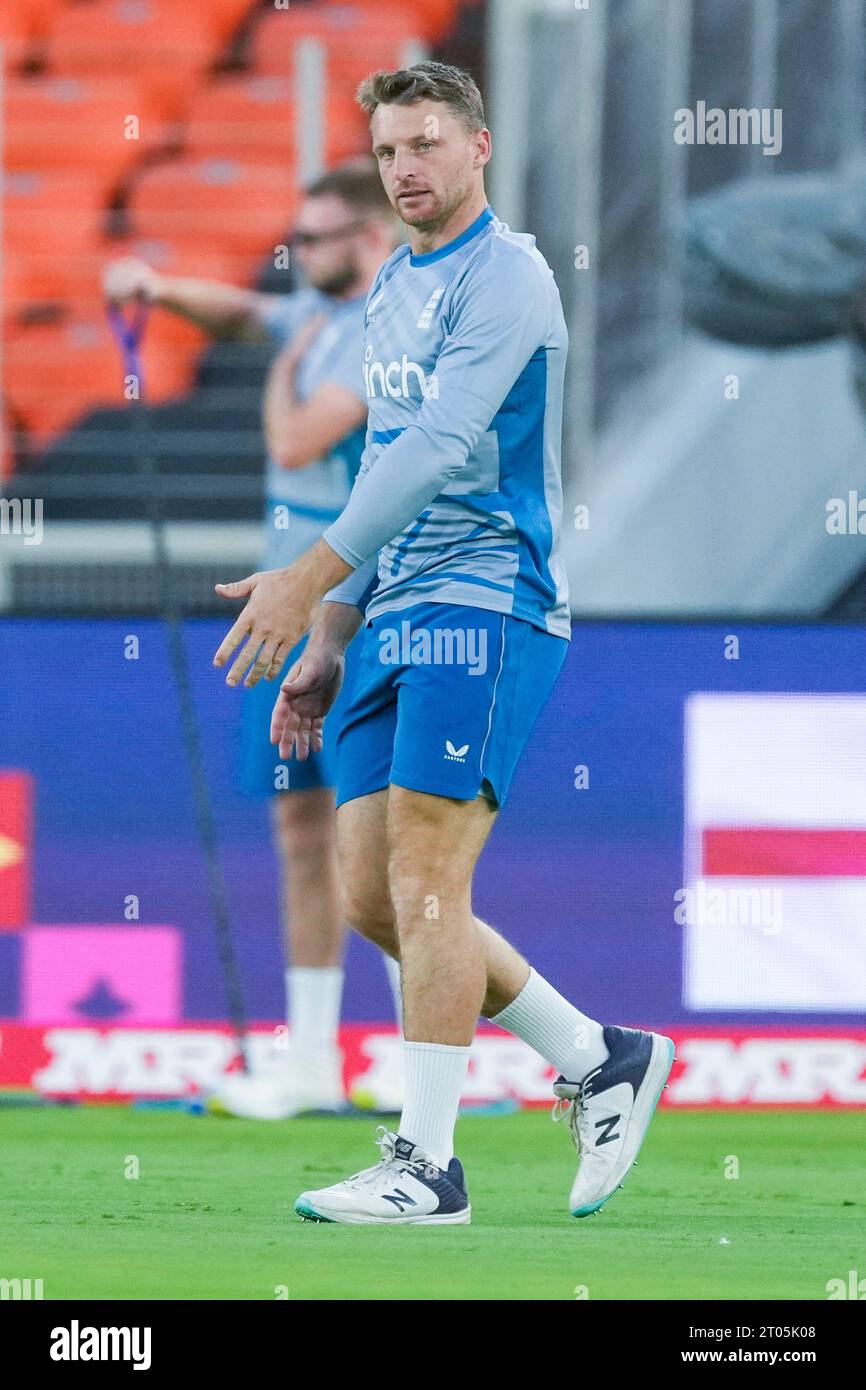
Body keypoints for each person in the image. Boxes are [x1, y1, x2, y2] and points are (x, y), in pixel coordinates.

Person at [213, 62, 675, 1221]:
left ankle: (429, 1165)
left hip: (485, 603)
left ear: (477, 146)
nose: (405, 166)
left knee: (426, 881)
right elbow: (380, 465)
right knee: (374, 895)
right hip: (390, 608)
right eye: (386, 151)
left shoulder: (509, 277)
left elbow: (437, 446)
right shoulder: (389, 290)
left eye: (425, 142)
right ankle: (595, 1053)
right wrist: (327, 629)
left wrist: (305, 570)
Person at [104, 161, 404, 1119]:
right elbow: (237, 314)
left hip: (367, 610)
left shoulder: (390, 326)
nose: (295, 258)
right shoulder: (310, 317)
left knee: (395, 836)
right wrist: (156, 288)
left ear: (365, 237)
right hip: (284, 616)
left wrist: (281, 367)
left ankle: (411, 1055)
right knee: (298, 828)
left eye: (312, 240)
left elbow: (296, 439)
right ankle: (311, 1059)